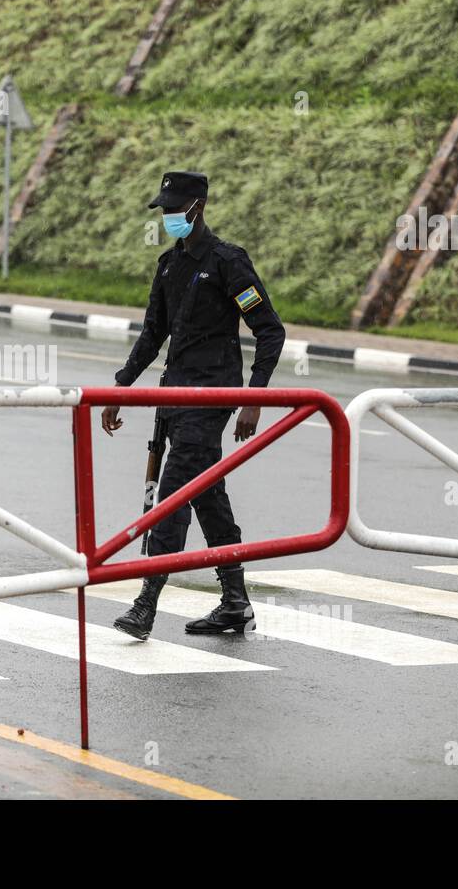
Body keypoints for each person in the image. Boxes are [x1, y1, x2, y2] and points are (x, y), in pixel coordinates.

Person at [103, 171, 285, 640]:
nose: (167, 217)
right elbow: (153, 334)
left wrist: (253, 396)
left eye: (173, 209)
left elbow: (269, 329)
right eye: (162, 210)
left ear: (197, 208)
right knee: (207, 496)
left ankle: (146, 603)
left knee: (173, 496)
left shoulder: (228, 262)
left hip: (212, 400)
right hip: (174, 398)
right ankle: (235, 603)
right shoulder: (169, 265)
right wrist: (121, 386)